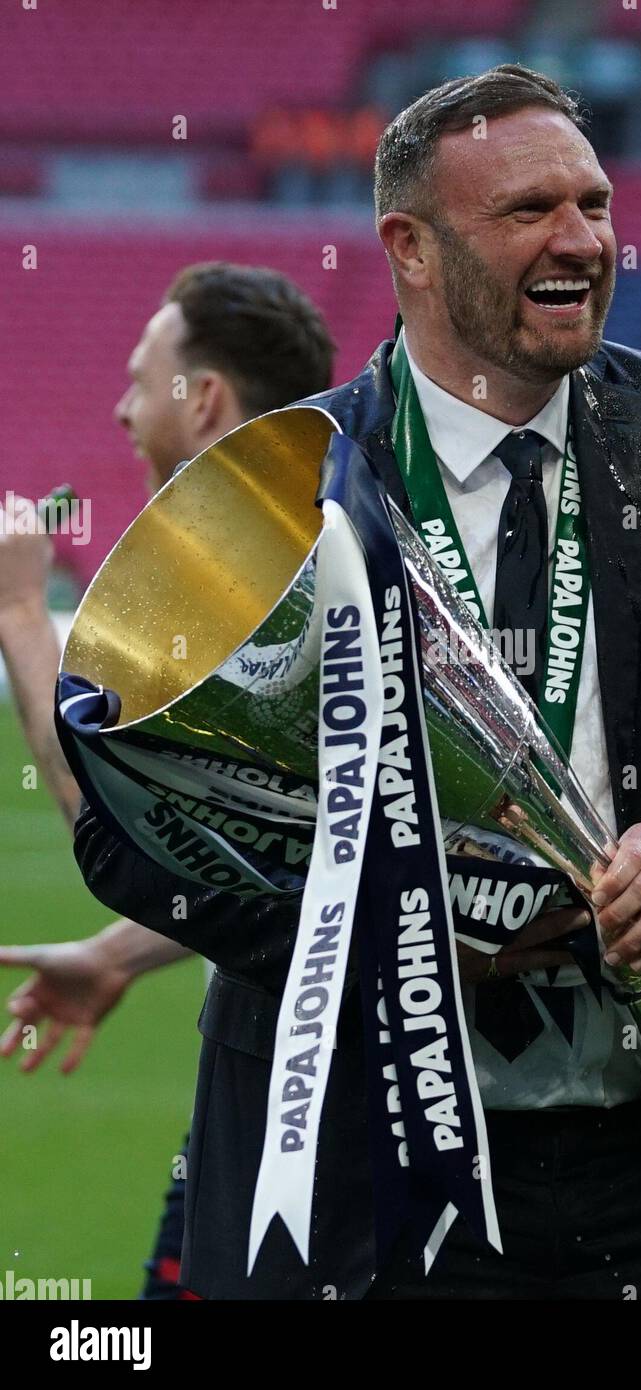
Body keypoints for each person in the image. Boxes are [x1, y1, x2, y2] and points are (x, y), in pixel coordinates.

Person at [72, 67, 641, 1300]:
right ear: (408, 247)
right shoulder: (289, 491)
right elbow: (133, 838)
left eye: (594, 202)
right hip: (358, 1165)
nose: (580, 241)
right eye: (527, 212)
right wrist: (396, 930)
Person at [0, 262, 335, 1297]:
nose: (120, 407)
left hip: (309, 1101)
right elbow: (279, 872)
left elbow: (130, 834)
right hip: (282, 1079)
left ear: (203, 402)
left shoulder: (261, 590)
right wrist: (117, 955)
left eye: (141, 379)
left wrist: (20, 614)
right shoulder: (319, 544)